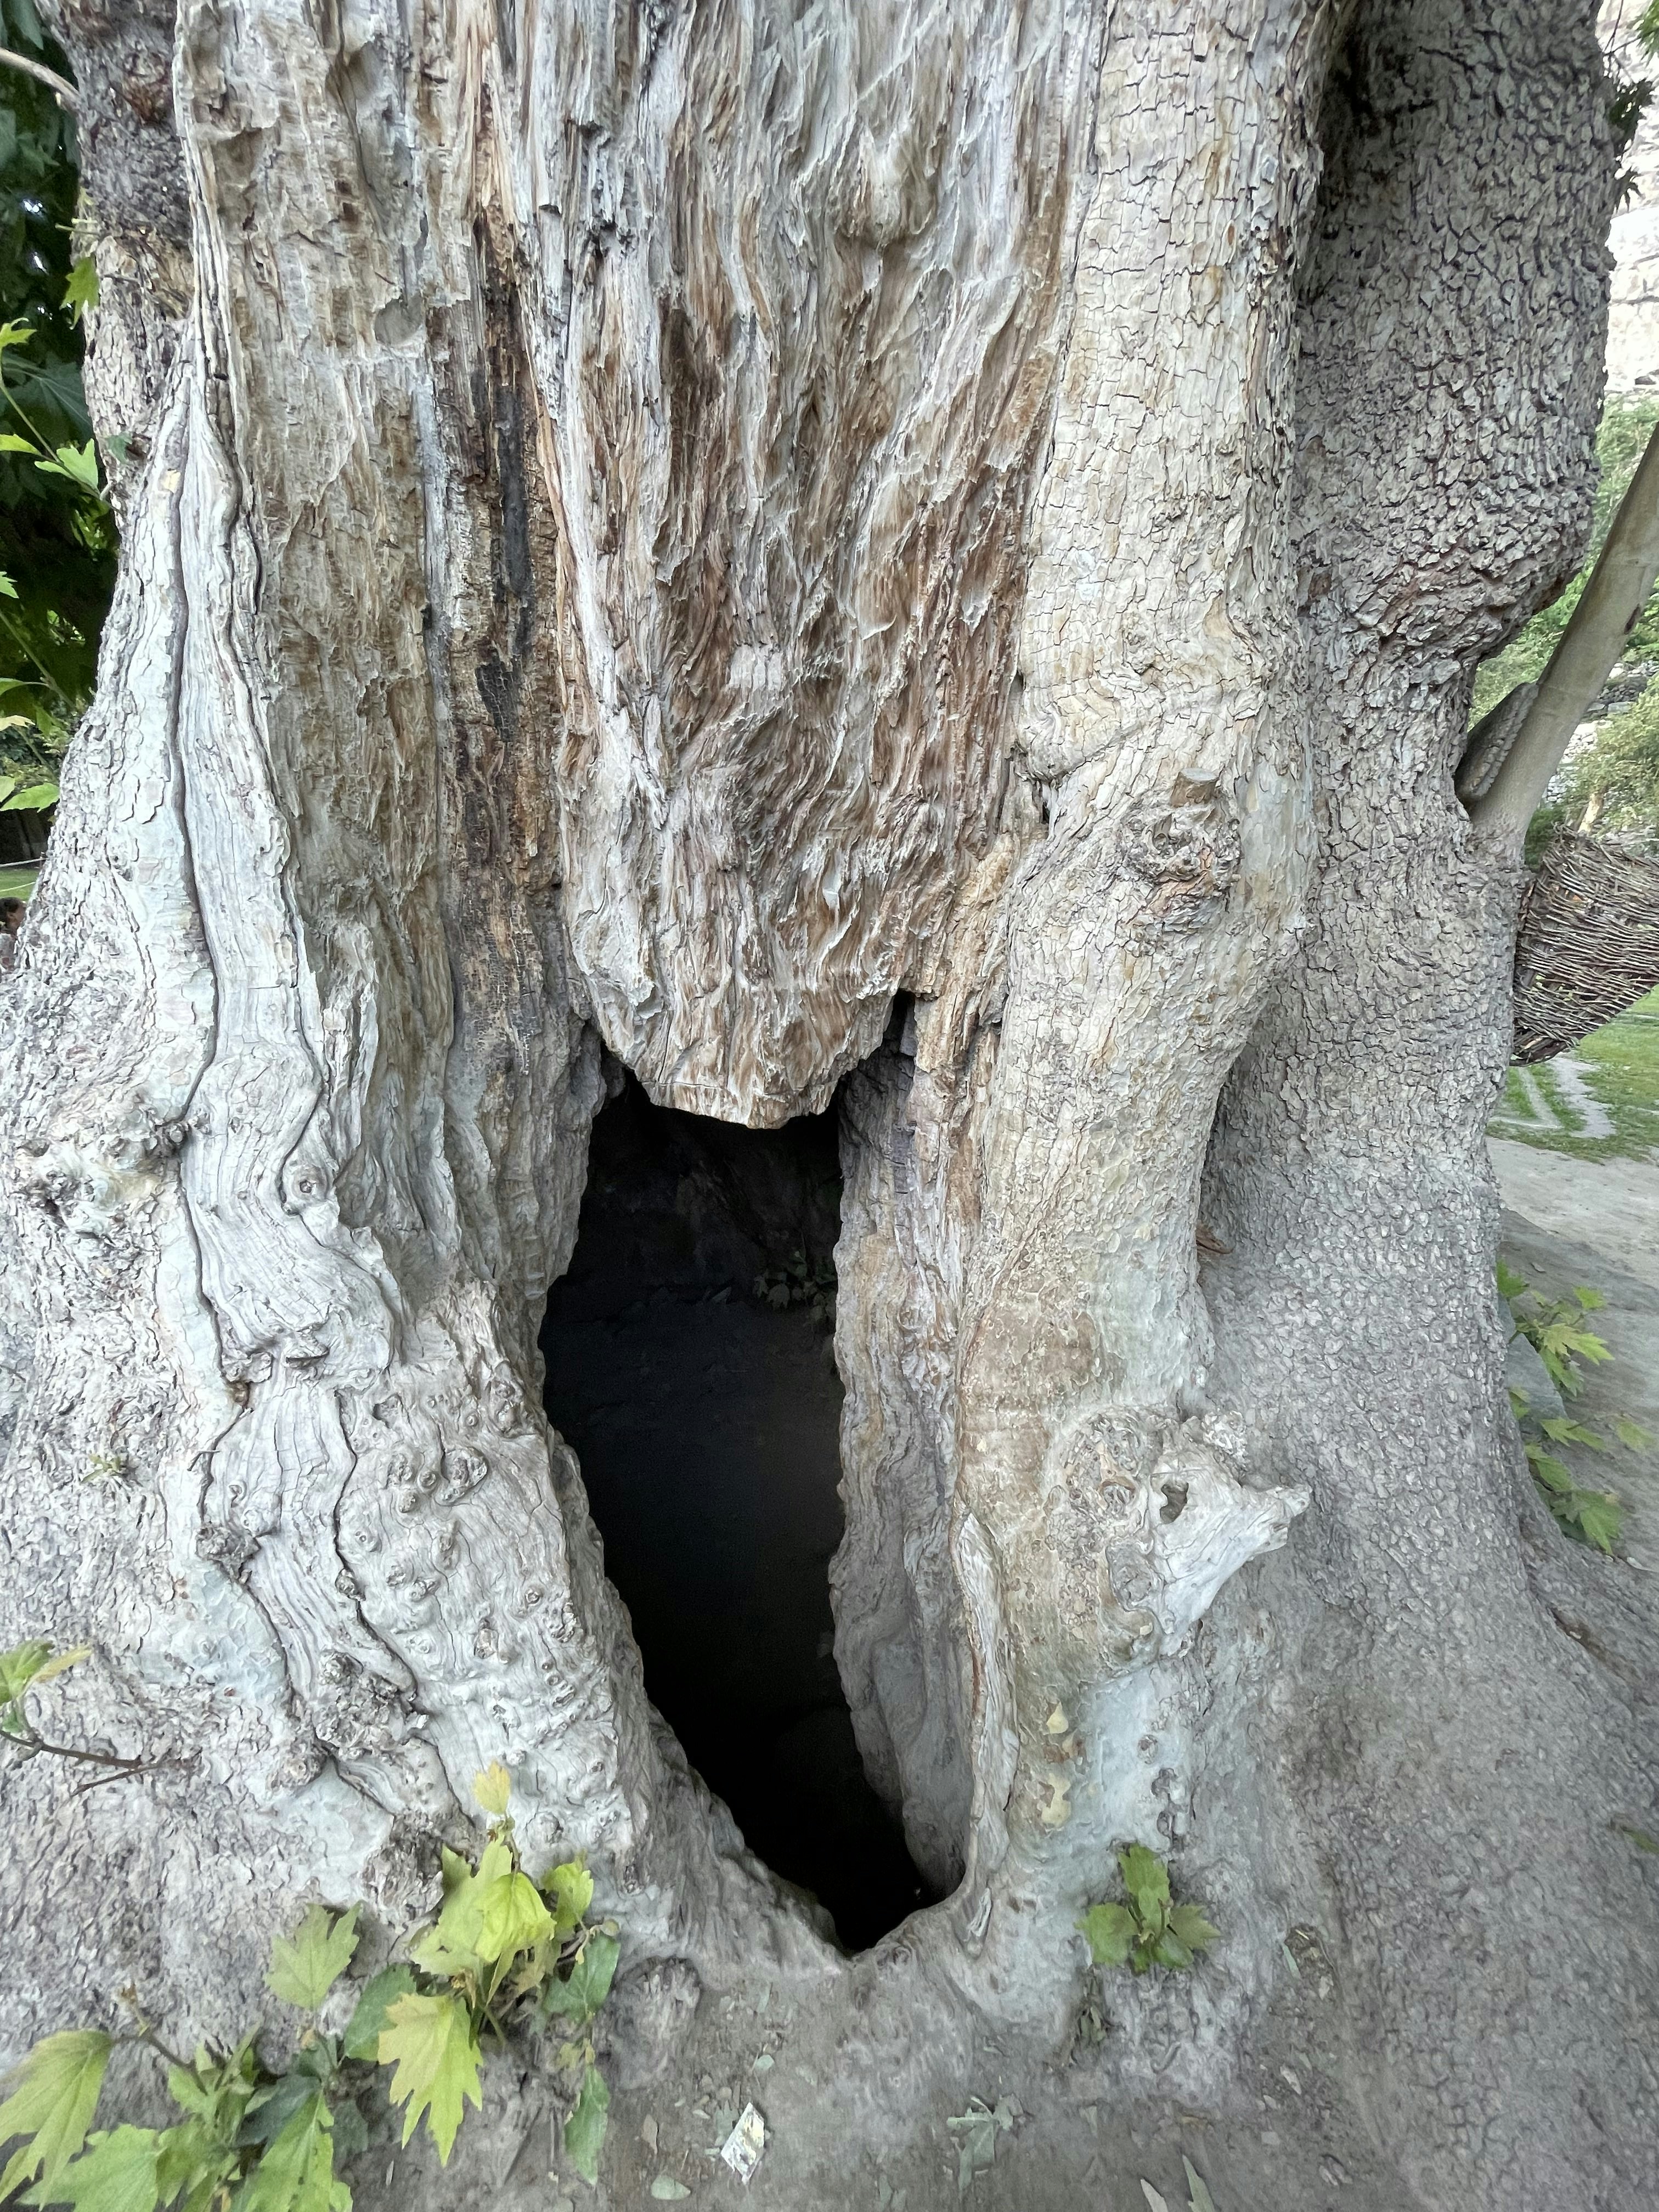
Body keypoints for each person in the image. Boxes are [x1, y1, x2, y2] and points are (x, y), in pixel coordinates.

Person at [0, 894, 24, 974]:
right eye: (23, 908)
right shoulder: (5, 940)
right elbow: (8, 971)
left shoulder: (23, 932)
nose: (29, 910)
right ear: (11, 915)